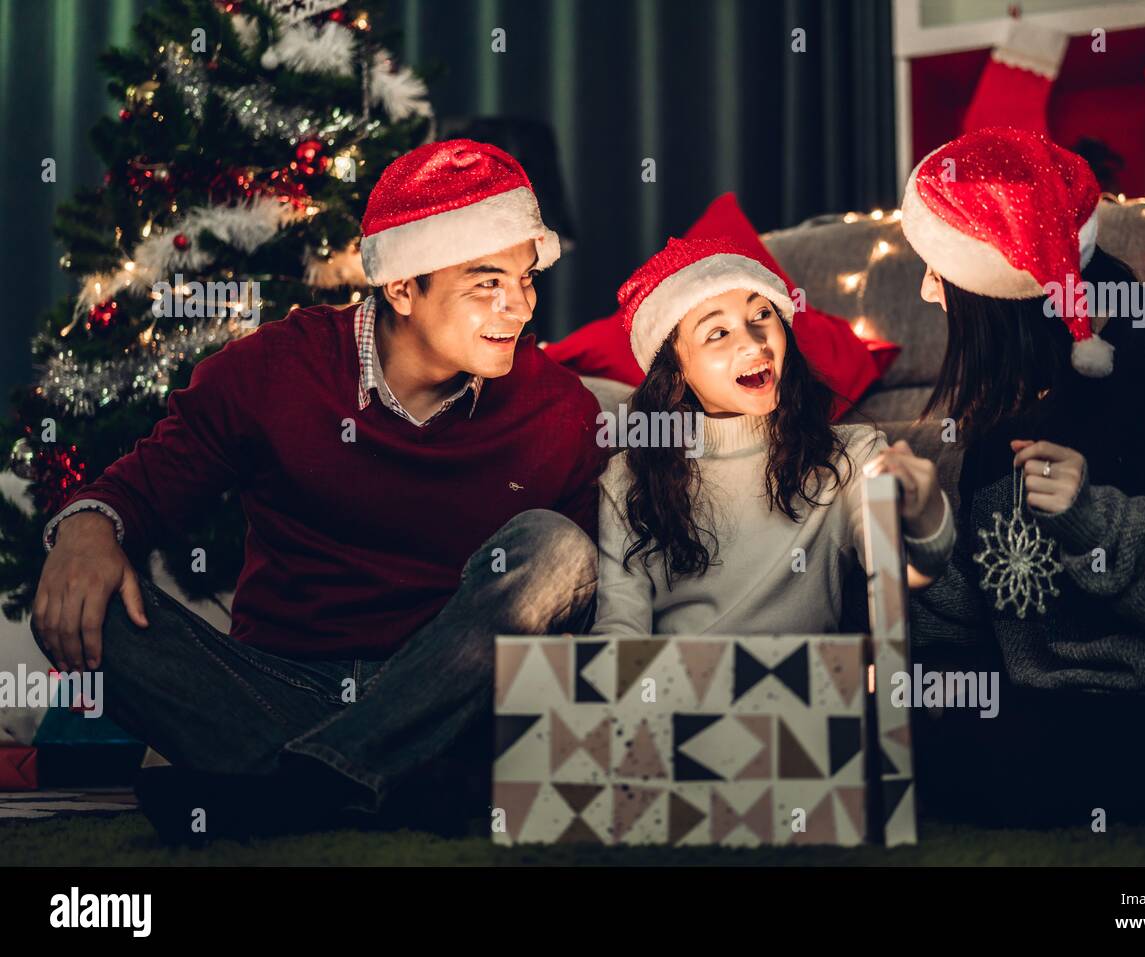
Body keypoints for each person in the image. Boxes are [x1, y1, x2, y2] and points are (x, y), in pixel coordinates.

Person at [29, 139, 610, 843]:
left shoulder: (561, 410)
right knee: (89, 606)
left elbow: (570, 624)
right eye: (487, 281)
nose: (518, 306)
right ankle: (384, 782)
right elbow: (144, 487)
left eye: (527, 277)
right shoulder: (276, 368)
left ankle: (296, 788)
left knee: (557, 548)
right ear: (402, 286)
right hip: (280, 683)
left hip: (449, 692)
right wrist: (89, 526)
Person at [899, 126, 1145, 826]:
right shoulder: (1008, 392)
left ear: (1002, 285)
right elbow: (998, 591)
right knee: (904, 707)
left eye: (939, 268)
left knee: (976, 753)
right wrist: (925, 537)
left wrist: (1097, 520)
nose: (929, 291)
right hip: (1052, 693)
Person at [591, 237, 955, 638]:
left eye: (761, 313)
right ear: (676, 374)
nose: (752, 341)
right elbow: (621, 628)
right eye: (717, 333)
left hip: (808, 688)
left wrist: (926, 516)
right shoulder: (628, 476)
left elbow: (900, 575)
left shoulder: (851, 456)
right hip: (674, 692)